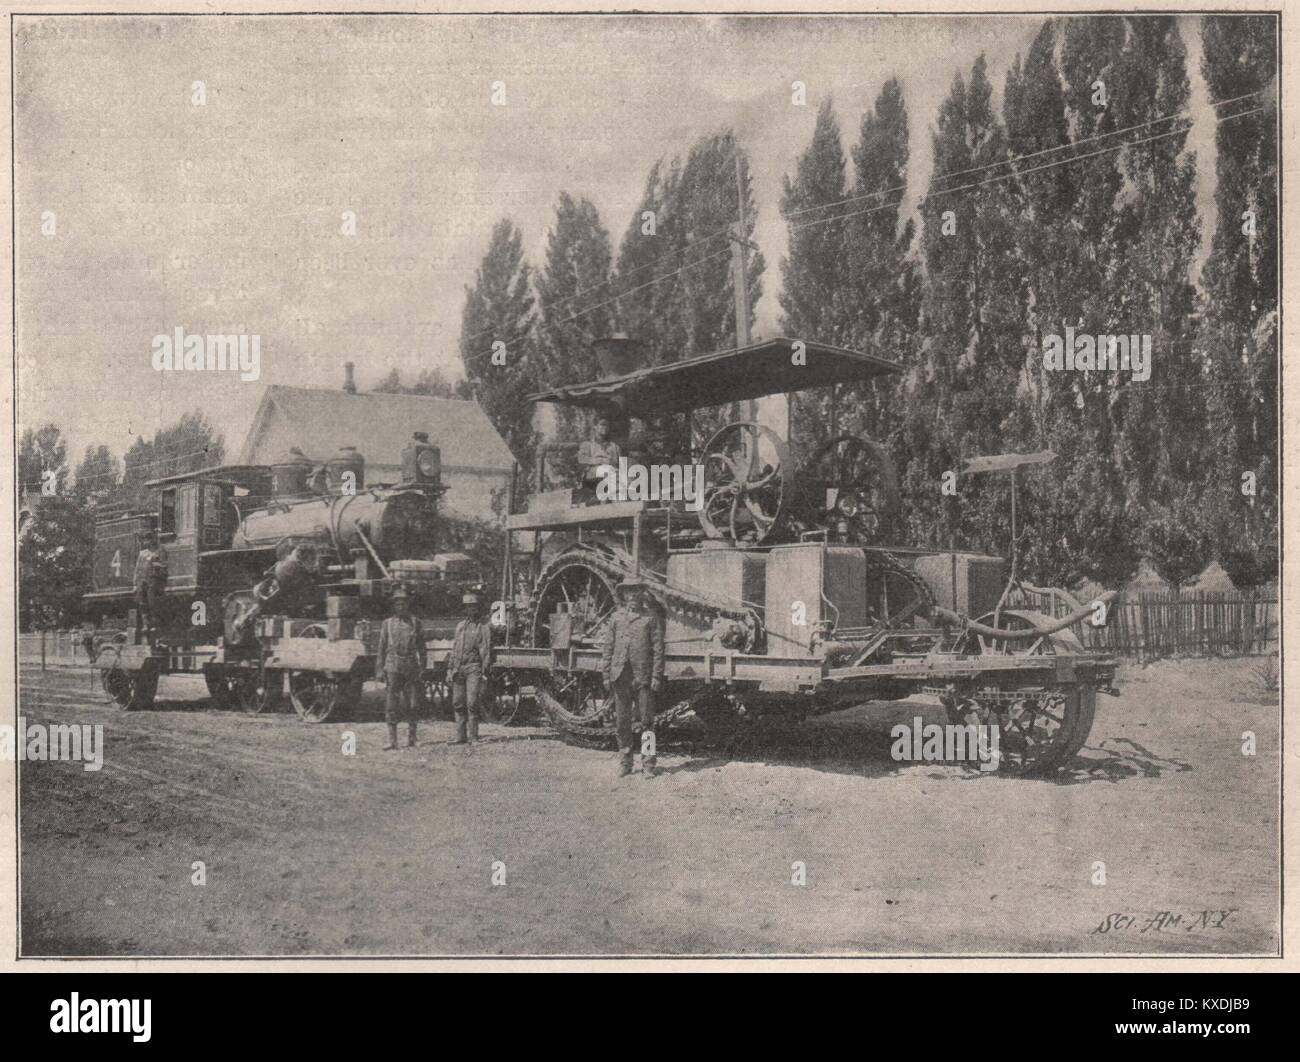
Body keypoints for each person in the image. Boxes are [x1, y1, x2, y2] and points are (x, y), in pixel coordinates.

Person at [600, 578, 665, 778]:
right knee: (622, 722)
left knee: (647, 721)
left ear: (641, 595)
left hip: (642, 677)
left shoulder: (650, 618)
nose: (632, 597)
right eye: (629, 593)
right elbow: (608, 648)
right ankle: (625, 762)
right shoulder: (616, 619)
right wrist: (606, 674)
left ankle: (648, 764)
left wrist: (656, 676)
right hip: (620, 676)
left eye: (636, 592)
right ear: (624, 596)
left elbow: (658, 650)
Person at [375, 587, 426, 750]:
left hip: (411, 666)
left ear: (408, 605)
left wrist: (423, 666)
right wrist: (379, 669)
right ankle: (392, 740)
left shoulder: (415, 623)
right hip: (393, 666)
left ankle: (412, 738)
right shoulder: (387, 624)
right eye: (398, 603)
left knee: (413, 704)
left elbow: (422, 647)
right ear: (394, 606)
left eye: (403, 603)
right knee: (391, 705)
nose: (401, 606)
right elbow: (381, 648)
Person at [447, 591, 493, 745]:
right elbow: (454, 649)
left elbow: (485, 651)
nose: (470, 610)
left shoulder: (483, 627)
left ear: (477, 608)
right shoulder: (460, 626)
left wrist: (484, 673)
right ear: (464, 609)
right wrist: (450, 669)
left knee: (472, 703)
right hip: (458, 668)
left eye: (473, 607)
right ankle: (460, 736)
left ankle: (473, 737)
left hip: (473, 668)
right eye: (468, 607)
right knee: (458, 703)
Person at [576, 413, 621, 503]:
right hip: (592, 472)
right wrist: (599, 461)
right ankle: (614, 501)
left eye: (607, 425)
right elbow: (581, 459)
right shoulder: (588, 444)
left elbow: (618, 462)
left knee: (622, 474)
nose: (604, 427)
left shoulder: (614, 446)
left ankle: (615, 501)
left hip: (611, 471)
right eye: (602, 424)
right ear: (595, 427)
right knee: (608, 470)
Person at [132, 531, 168, 636]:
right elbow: (137, 569)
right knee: (142, 601)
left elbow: (164, 565)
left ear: (154, 539)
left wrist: (156, 564)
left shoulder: (161, 550)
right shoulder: (142, 553)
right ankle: (145, 624)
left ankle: (154, 624)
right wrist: (134, 584)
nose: (147, 542)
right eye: (146, 540)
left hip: (154, 579)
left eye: (149, 539)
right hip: (142, 580)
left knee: (152, 601)